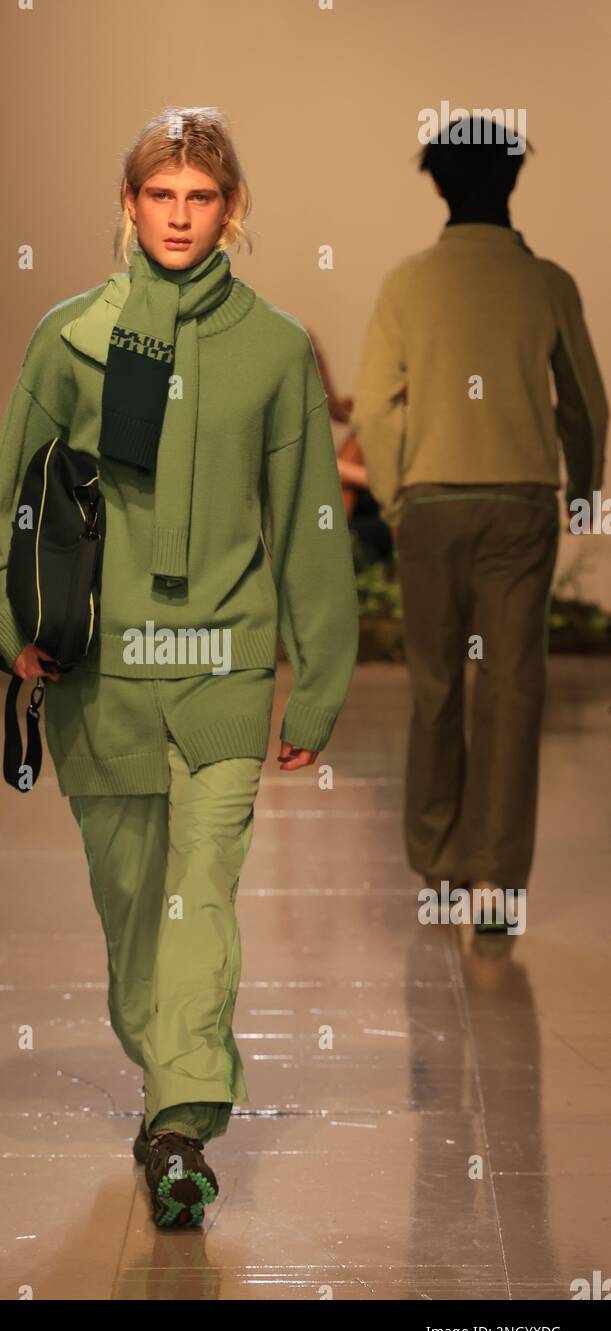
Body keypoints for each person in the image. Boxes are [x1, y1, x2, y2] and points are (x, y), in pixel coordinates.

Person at [0, 107, 358, 1227]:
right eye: (161, 195)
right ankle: (167, 1074)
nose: (181, 216)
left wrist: (319, 677)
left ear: (233, 211)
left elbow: (310, 522)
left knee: (200, 897)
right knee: (135, 907)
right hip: (103, 673)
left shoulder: (276, 349)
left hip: (223, 662)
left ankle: (182, 1120)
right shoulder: (71, 338)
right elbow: (7, 495)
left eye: (202, 196)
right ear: (128, 206)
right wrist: (1, 618)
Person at [352, 116, 607, 915]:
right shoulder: (547, 283)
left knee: (435, 691)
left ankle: (437, 865)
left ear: (434, 183)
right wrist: (583, 494)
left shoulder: (406, 283)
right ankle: (495, 881)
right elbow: (587, 407)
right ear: (513, 181)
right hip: (518, 501)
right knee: (510, 688)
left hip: (430, 503)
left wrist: (394, 494)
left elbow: (376, 411)